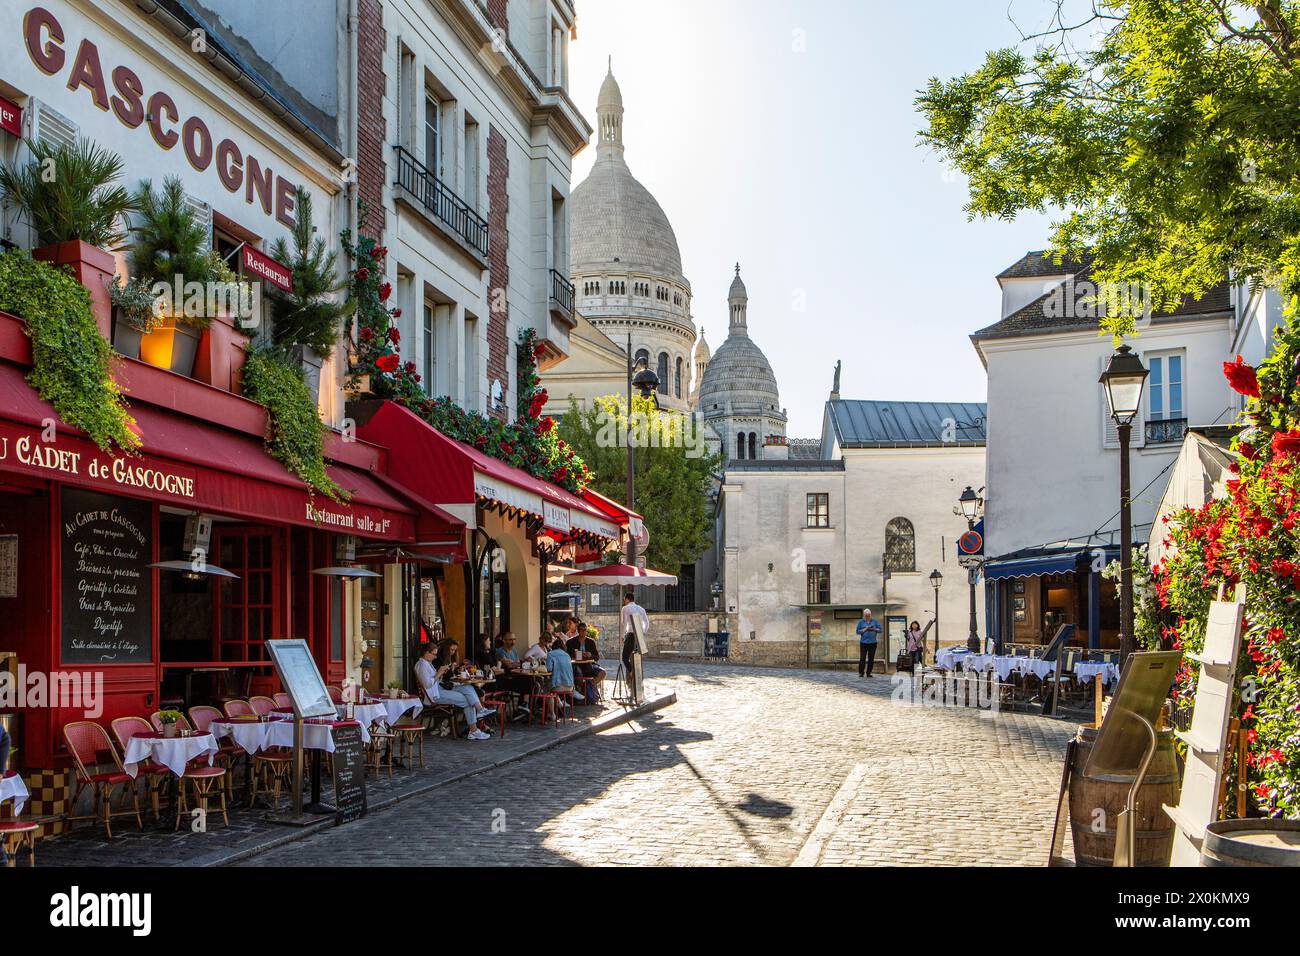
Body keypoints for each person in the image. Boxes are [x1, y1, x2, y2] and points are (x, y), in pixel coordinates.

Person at [413, 643, 494, 740]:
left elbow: (435, 680)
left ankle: (480, 710)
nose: (435, 657)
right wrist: (439, 673)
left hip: (440, 689)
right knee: (468, 700)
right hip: (435, 695)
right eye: (434, 654)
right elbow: (427, 684)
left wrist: (442, 673)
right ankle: (473, 731)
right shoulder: (421, 665)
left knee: (467, 687)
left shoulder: (427, 663)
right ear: (426, 652)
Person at [566, 619, 606, 703]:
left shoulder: (591, 642)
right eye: (581, 630)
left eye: (585, 630)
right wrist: (574, 655)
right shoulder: (571, 642)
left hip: (589, 665)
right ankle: (585, 691)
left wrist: (590, 655)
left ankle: (589, 687)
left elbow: (597, 657)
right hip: (576, 665)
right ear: (578, 630)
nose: (583, 632)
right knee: (578, 673)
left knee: (603, 673)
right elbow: (567, 655)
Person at [620, 590, 649, 694]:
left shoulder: (625, 608)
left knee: (625, 657)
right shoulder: (641, 609)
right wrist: (643, 632)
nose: (624, 601)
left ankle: (633, 673)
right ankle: (634, 682)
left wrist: (622, 636)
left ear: (627, 599)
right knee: (637, 658)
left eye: (624, 600)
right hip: (639, 635)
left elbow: (623, 624)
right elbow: (647, 622)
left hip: (631, 635)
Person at [856, 608, 881, 677]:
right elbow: (857, 632)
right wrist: (865, 629)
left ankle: (868, 673)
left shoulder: (875, 621)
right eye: (866, 615)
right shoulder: (861, 622)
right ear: (864, 615)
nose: (868, 616)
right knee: (862, 658)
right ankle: (861, 673)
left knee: (871, 658)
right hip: (863, 642)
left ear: (870, 614)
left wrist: (874, 629)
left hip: (873, 643)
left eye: (869, 615)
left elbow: (880, 630)